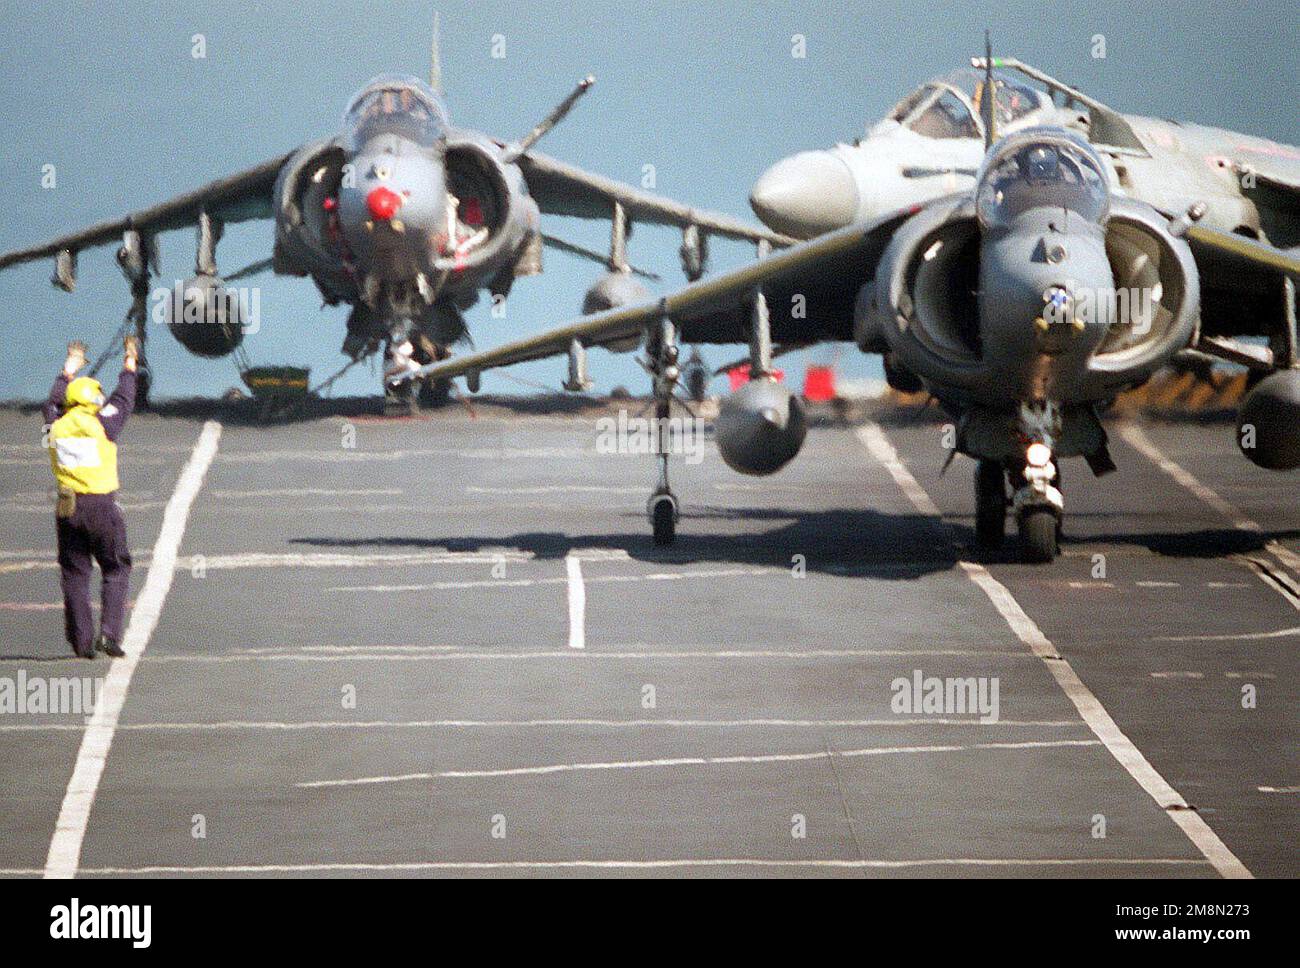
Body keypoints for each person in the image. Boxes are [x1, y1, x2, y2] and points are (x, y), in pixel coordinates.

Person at [43, 336, 138, 659]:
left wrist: (69, 367)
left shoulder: (55, 426)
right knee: (115, 567)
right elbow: (124, 398)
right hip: (101, 507)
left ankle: (82, 642)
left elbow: (51, 402)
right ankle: (109, 635)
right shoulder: (103, 424)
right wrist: (129, 363)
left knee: (74, 573)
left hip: (68, 507)